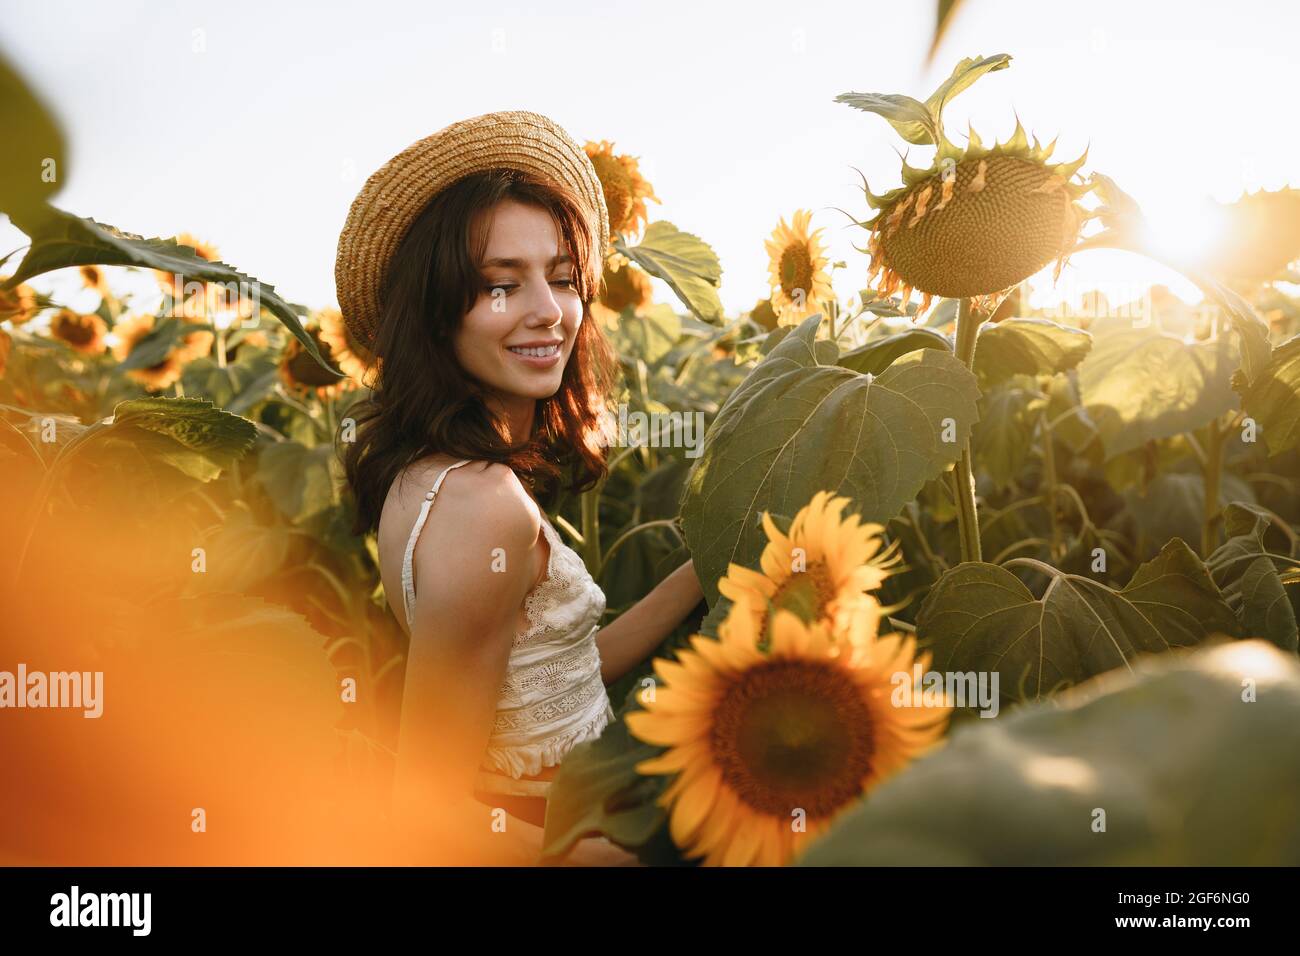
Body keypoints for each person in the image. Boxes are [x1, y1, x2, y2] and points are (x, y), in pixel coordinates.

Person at [335, 112, 705, 866]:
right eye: (501, 285)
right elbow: (427, 812)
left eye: (563, 278)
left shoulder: (429, 476)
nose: (549, 310)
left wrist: (704, 570)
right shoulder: (485, 510)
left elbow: (546, 680)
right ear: (436, 317)